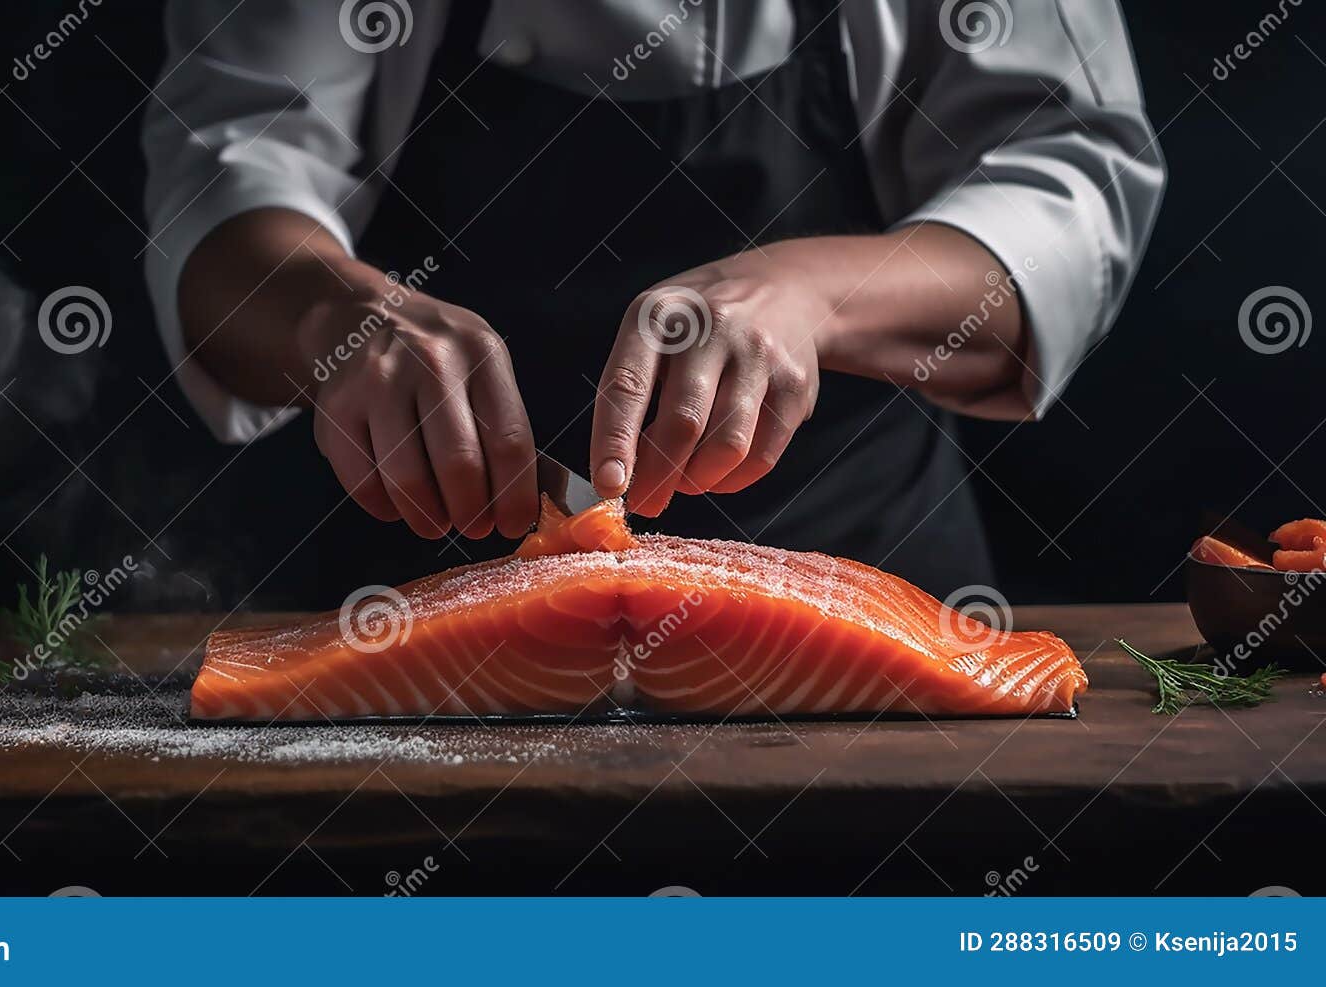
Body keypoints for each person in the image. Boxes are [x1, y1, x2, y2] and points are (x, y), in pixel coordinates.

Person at [142, 0, 1164, 596]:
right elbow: (225, 177)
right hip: (424, 586)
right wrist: (333, 316)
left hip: (860, 557)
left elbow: (1071, 182)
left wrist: (812, 294)